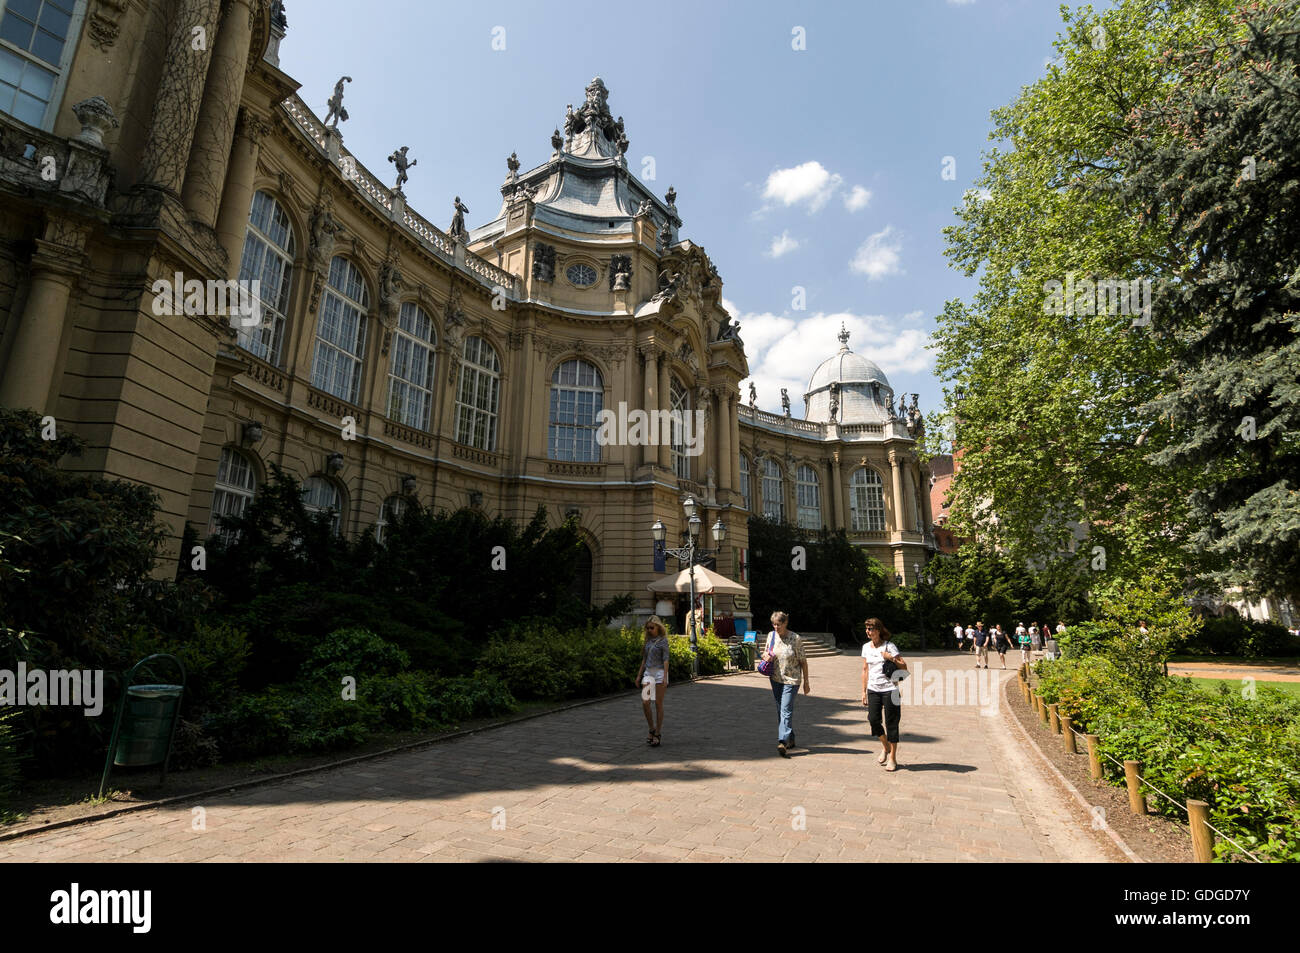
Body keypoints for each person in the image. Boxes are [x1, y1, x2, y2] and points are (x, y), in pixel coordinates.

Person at [861, 618, 907, 771]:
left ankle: (893, 758)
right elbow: (865, 670)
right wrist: (863, 691)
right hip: (873, 689)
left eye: (870, 629)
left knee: (892, 723)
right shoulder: (866, 647)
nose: (868, 631)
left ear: (878, 630)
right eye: (867, 629)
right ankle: (885, 746)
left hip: (890, 689)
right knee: (873, 720)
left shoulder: (890, 646)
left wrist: (891, 658)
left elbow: (904, 667)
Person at [761, 611, 809, 757]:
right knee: (780, 711)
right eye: (774, 624)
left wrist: (806, 681)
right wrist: (766, 657)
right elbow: (764, 653)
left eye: (779, 624)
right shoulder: (771, 635)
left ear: (785, 623)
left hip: (792, 680)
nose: (776, 627)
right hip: (775, 679)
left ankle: (782, 741)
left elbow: (803, 662)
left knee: (785, 709)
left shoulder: (795, 638)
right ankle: (791, 738)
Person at [635, 616, 670, 746]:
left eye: (652, 627)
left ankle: (658, 733)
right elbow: (644, 660)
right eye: (647, 628)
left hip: (660, 672)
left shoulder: (663, 641)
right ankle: (651, 728)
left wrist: (665, 676)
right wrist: (639, 676)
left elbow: (666, 659)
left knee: (658, 704)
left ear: (658, 627)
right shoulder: (648, 641)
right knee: (645, 702)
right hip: (649, 672)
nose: (649, 630)